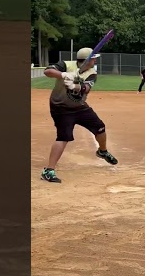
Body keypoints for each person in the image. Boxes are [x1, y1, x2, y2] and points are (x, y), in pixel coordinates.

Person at [41, 47, 119, 183]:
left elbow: (87, 88)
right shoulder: (66, 65)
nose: (95, 61)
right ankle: (48, 170)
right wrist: (63, 75)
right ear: (87, 60)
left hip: (80, 107)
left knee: (100, 127)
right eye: (93, 58)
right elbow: (47, 71)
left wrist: (75, 86)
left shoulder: (91, 72)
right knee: (63, 136)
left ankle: (102, 151)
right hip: (61, 107)